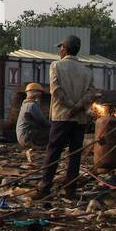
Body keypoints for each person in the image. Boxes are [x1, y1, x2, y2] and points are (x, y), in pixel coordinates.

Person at [34, 34, 97, 201]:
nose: (59, 50)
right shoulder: (87, 70)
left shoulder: (56, 66)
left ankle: (45, 187)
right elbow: (91, 93)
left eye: (60, 47)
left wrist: (69, 107)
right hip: (79, 119)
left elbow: (55, 90)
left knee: (54, 151)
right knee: (75, 154)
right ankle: (70, 190)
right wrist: (77, 108)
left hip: (62, 117)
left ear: (65, 49)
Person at [16, 82, 49, 164]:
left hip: (24, 137)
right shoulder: (31, 105)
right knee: (54, 132)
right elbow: (43, 122)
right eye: (39, 94)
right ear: (36, 94)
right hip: (27, 137)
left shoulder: (25, 105)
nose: (40, 96)